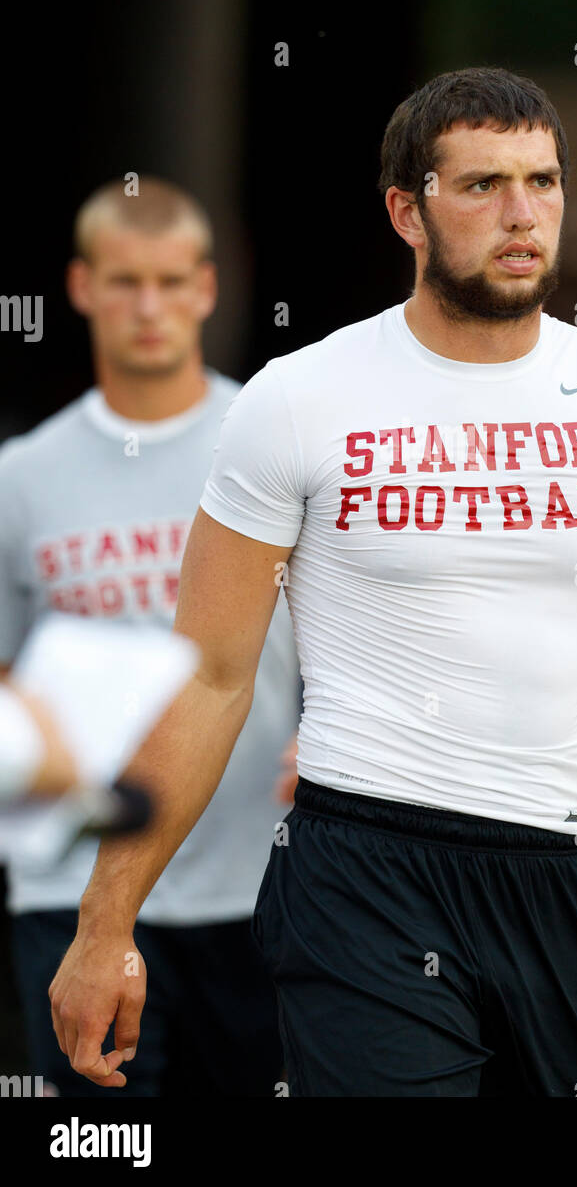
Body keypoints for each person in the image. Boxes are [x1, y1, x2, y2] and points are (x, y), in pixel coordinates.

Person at [48, 70, 577, 1098]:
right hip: (361, 867)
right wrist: (107, 924)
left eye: (541, 182)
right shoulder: (299, 399)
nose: (520, 214)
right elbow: (209, 677)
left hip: (560, 872)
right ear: (406, 211)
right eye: (483, 185)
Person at [0, 178, 300, 1096]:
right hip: (70, 888)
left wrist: (328, 735)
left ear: (209, 289)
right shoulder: (22, 474)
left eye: (172, 282)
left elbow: (365, 635)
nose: (149, 307)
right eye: (125, 282)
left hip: (255, 879)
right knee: (100, 1143)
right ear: (81, 288)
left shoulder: (274, 439)